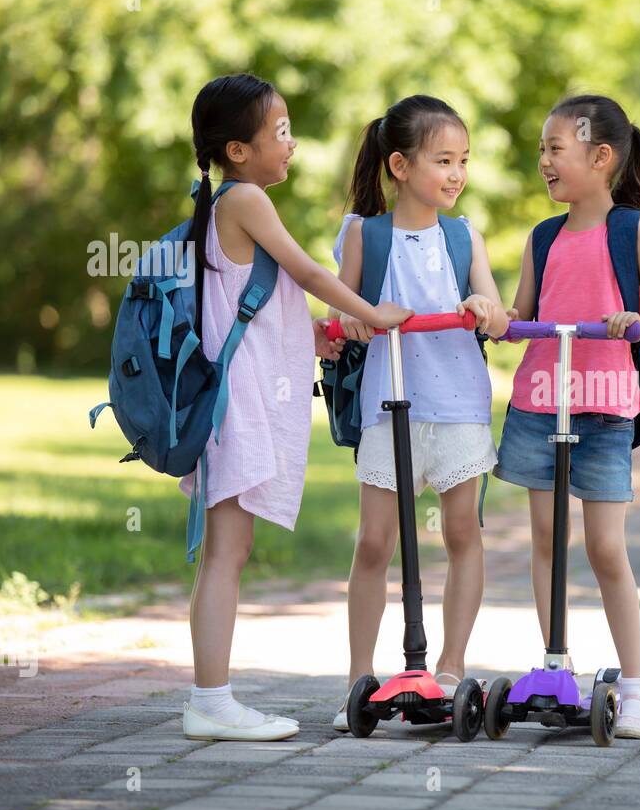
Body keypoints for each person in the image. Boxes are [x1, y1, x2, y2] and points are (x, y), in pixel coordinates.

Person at [178, 73, 411, 741]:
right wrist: (372, 313)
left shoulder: (227, 203)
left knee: (230, 546)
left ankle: (212, 697)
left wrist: (316, 334)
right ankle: (211, 701)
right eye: (278, 131)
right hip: (232, 407)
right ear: (239, 149)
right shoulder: (244, 198)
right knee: (225, 550)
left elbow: (245, 305)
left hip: (234, 401)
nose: (291, 142)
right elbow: (308, 271)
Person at [493, 94, 640, 739]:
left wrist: (636, 324)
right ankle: (555, 664)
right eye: (541, 150)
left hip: (603, 408)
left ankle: (634, 688)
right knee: (546, 542)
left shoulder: (634, 231)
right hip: (540, 401)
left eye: (555, 150)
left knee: (604, 548)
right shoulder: (542, 237)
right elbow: (520, 315)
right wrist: (495, 322)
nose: (543, 161)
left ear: (601, 158)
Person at [327, 95, 509, 731]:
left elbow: (498, 307)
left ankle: (452, 666)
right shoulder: (364, 235)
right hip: (389, 406)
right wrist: (350, 319)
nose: (457, 173)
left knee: (463, 533)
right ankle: (358, 675)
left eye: (463, 161)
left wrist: (489, 309)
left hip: (458, 406)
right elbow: (342, 310)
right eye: (443, 160)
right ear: (400, 165)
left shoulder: (463, 236)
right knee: (375, 541)